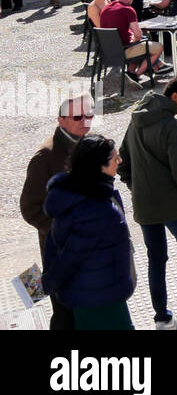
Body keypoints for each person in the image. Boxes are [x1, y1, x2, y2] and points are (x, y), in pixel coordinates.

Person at [119, 74, 177, 329]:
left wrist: (135, 187)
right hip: (173, 206)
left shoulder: (137, 116)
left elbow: (122, 158)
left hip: (144, 204)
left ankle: (161, 319)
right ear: (174, 96)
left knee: (156, 259)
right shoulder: (171, 126)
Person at [42, 134, 136, 330]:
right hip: (101, 299)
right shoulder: (97, 210)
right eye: (114, 158)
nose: (120, 161)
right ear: (98, 166)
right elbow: (70, 256)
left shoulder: (72, 195)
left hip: (86, 295)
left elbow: (55, 246)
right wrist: (47, 282)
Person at [20, 93, 95, 330]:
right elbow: (30, 208)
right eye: (77, 117)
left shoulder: (90, 144)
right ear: (61, 120)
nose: (85, 122)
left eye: (89, 115)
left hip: (91, 248)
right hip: (61, 252)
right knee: (65, 316)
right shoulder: (45, 158)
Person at [99, 0, 165, 82]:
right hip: (123, 51)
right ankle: (135, 76)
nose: (132, 1)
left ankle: (132, 71)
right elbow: (137, 34)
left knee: (137, 42)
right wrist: (136, 39)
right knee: (158, 47)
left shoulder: (105, 9)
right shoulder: (128, 9)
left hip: (107, 51)